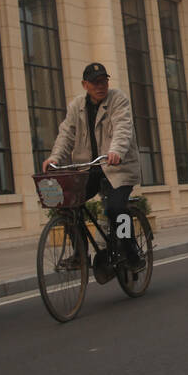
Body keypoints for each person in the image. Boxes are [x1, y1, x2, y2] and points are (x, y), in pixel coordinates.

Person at [44, 62, 144, 271]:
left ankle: (131, 253)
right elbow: (66, 136)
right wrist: (54, 158)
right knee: (68, 204)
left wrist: (116, 150)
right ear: (85, 85)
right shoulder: (76, 107)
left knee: (117, 209)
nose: (101, 86)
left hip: (118, 167)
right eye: (95, 82)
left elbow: (123, 128)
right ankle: (80, 255)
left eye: (104, 81)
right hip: (90, 168)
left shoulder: (118, 99)